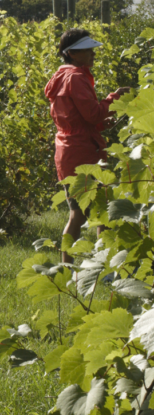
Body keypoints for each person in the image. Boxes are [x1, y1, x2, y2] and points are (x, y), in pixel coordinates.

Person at [44, 29, 131, 264]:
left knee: (85, 212)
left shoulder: (62, 75)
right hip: (82, 151)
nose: (93, 53)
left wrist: (101, 121)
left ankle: (76, 265)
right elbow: (92, 114)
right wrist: (115, 98)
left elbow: (78, 119)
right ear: (71, 53)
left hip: (68, 149)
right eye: (87, 50)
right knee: (92, 212)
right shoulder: (76, 77)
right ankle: (98, 264)